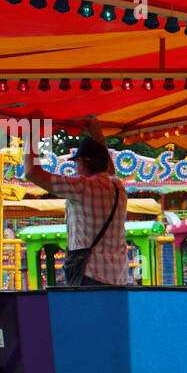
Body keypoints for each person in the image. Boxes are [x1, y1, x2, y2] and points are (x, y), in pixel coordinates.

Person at [23, 119, 128, 286]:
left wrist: (32, 129)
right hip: (119, 276)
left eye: (77, 161)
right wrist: (97, 135)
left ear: (83, 161)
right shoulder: (118, 186)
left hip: (90, 274)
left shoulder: (82, 187)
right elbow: (110, 170)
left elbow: (32, 172)